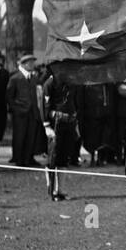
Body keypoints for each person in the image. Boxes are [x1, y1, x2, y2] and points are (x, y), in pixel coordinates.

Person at [42, 69, 80, 200]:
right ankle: (51, 190)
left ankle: (61, 190)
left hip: (69, 122)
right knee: (53, 158)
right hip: (55, 124)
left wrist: (76, 124)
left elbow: (75, 102)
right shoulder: (50, 83)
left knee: (64, 157)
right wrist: (46, 125)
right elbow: (45, 104)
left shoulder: (72, 82)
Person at [6, 54, 48, 166]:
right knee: (20, 137)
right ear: (24, 64)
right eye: (30, 63)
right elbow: (9, 97)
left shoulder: (34, 79)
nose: (32, 65)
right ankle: (19, 159)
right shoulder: (15, 78)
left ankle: (29, 158)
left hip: (33, 113)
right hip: (20, 114)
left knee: (31, 137)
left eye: (33, 63)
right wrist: (15, 109)